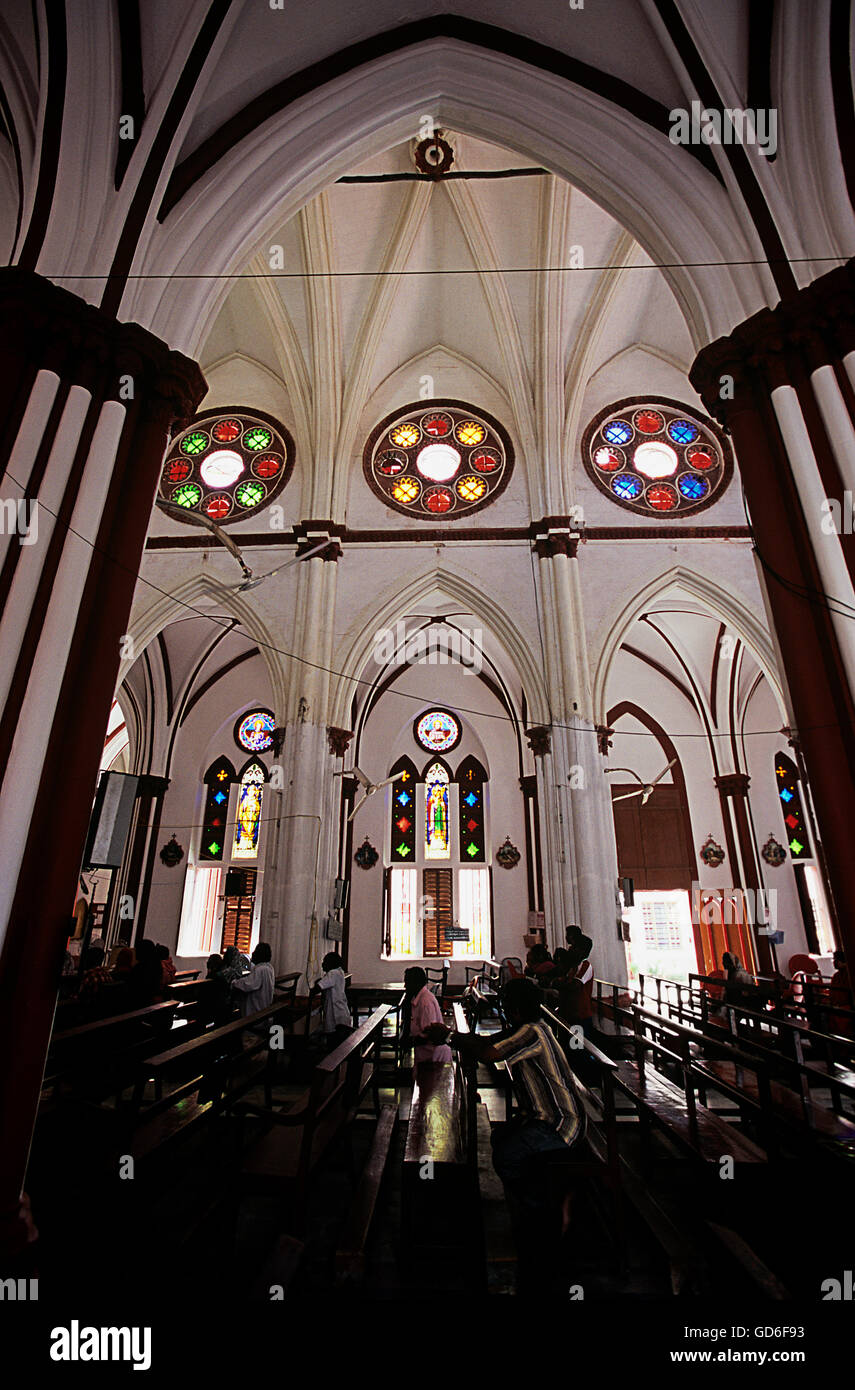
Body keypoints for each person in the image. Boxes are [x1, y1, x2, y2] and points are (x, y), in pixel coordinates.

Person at [449, 977, 585, 1290]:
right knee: (501, 1138)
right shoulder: (532, 1027)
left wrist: (453, 1037)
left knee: (506, 1155)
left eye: (508, 1003)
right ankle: (544, 1200)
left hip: (560, 1124)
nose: (504, 1008)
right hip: (548, 1117)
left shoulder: (532, 1032)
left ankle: (542, 1217)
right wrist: (458, 1038)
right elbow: (491, 1044)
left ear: (517, 1007)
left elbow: (489, 1055)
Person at [402, 966, 452, 1065]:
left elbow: (430, 1034)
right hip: (426, 1054)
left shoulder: (425, 1002)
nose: (405, 986)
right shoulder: (417, 998)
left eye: (407, 982)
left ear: (416, 984)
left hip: (434, 1056)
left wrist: (408, 1042)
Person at [314, 951, 352, 1050]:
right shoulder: (339, 972)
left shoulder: (333, 974)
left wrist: (314, 985)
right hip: (341, 1014)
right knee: (338, 1045)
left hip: (336, 1016)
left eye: (324, 962)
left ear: (331, 964)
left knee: (334, 1045)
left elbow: (318, 987)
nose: (322, 964)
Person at [231, 941, 275, 1017]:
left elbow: (248, 984)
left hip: (256, 1012)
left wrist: (234, 982)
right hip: (265, 1008)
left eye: (255, 951)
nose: (252, 953)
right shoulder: (269, 967)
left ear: (259, 955)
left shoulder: (260, 969)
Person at [126, 938, 165, 1008]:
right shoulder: (156, 965)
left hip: (139, 1003)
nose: (135, 952)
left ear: (143, 952)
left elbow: (132, 989)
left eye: (137, 950)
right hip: (150, 1001)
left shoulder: (140, 968)